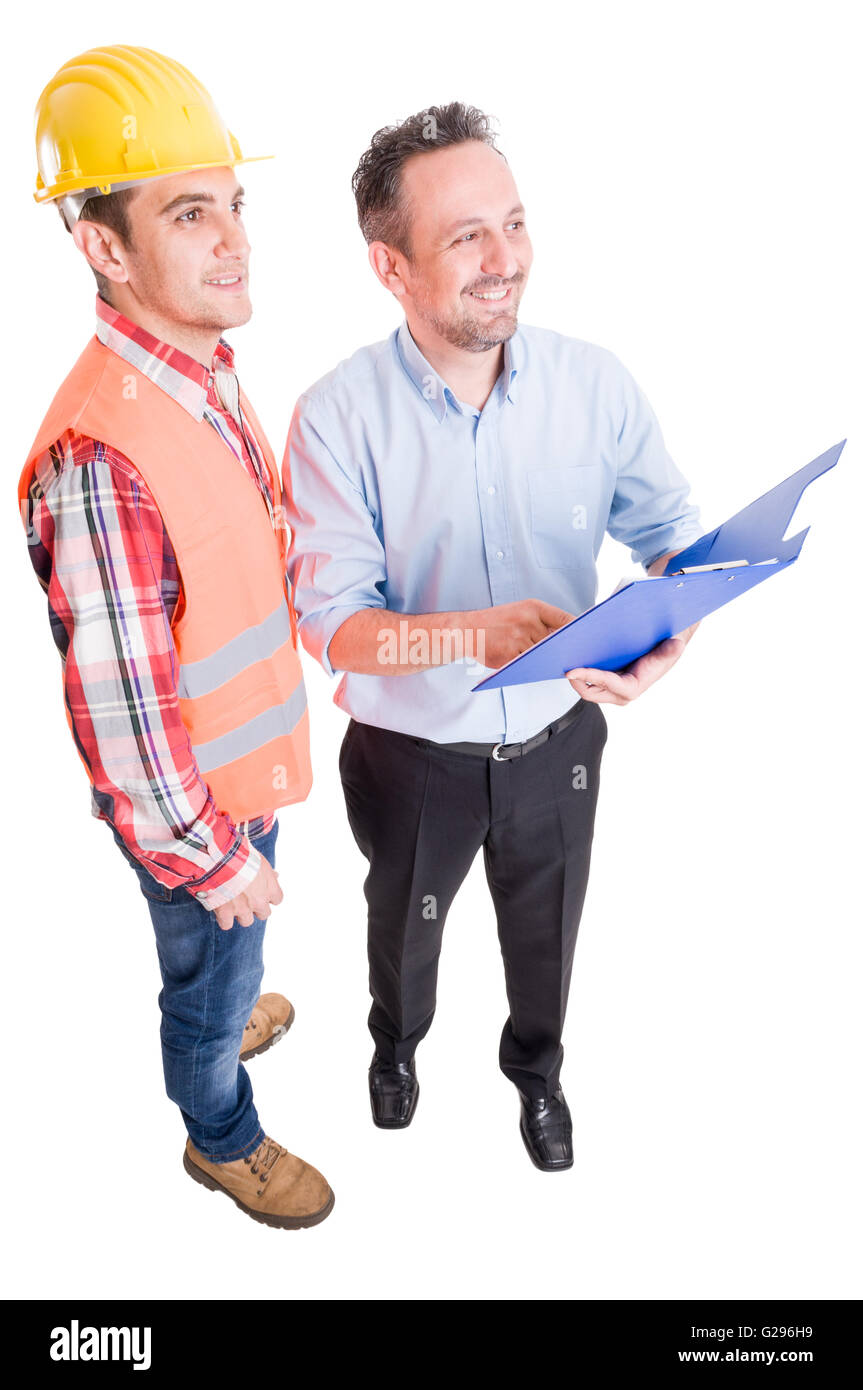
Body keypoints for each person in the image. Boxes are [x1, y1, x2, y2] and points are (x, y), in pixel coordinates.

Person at [282, 102, 701, 1172]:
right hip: (411, 756)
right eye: (465, 234)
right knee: (403, 933)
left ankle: (538, 1073)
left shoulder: (592, 381)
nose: (502, 258)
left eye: (512, 222)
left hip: (559, 744)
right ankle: (394, 1044)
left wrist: (671, 623)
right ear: (391, 266)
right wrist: (474, 633)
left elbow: (669, 537)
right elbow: (332, 627)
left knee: (544, 935)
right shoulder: (335, 416)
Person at [19, 45, 333, 1228]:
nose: (234, 240)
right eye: (190, 213)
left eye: (234, 204)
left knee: (229, 952)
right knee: (208, 970)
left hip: (233, 779)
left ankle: (225, 987)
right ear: (104, 247)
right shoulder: (102, 460)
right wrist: (219, 862)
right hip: (194, 814)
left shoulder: (197, 369)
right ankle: (218, 1124)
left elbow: (239, 543)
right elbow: (128, 723)